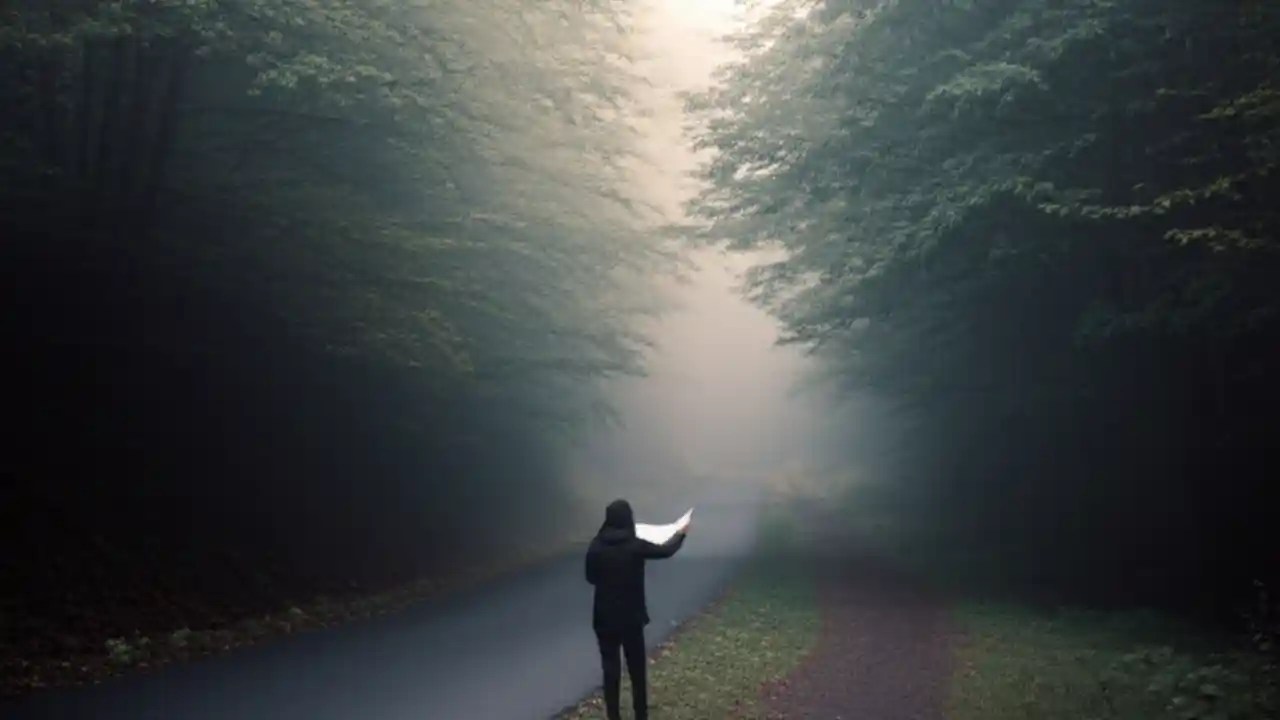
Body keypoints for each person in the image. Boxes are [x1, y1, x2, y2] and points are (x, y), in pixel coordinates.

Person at [584, 499, 688, 720]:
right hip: (631, 618)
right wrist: (681, 534)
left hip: (604, 618)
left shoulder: (596, 546)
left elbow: (590, 578)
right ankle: (641, 714)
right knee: (636, 670)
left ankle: (614, 716)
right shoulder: (635, 546)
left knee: (610, 670)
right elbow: (665, 551)